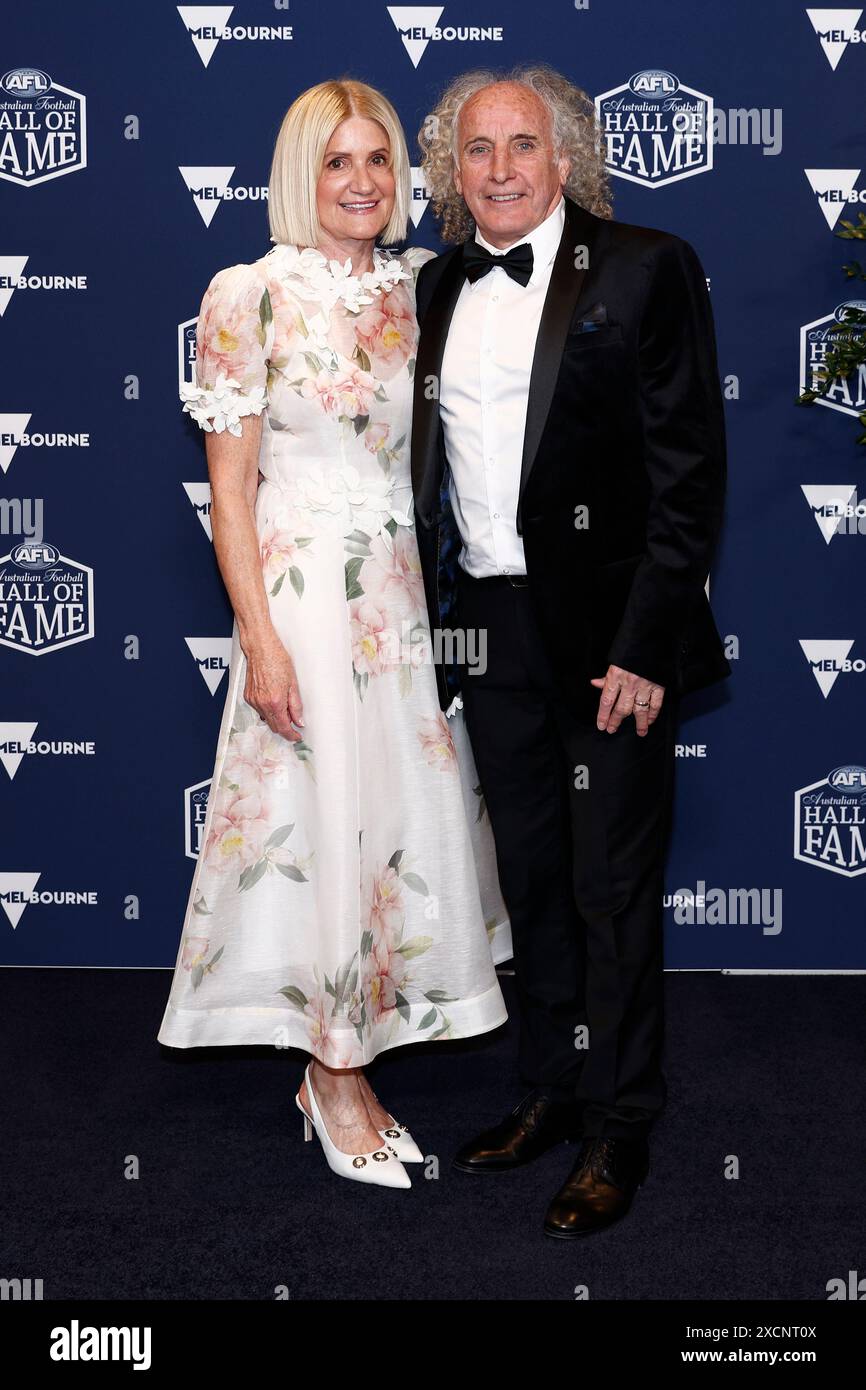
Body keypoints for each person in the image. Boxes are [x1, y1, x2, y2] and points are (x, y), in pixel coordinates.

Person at [158, 78, 511, 1189]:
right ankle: (335, 1073)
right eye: (335, 163)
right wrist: (258, 638)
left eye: (376, 161)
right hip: (302, 604)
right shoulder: (246, 294)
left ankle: (345, 1061)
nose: (360, 183)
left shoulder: (420, 290)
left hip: (400, 608)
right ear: (298, 175)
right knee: (315, 829)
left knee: (383, 832)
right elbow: (231, 488)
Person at [411, 63, 730, 1235]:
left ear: (565, 161)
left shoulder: (643, 265)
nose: (498, 170)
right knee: (533, 881)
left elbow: (687, 472)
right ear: (452, 171)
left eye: (521, 147)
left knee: (609, 889)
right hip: (489, 628)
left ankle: (618, 1127)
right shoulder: (438, 284)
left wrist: (646, 645)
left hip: (607, 642)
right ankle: (548, 1089)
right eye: (477, 150)